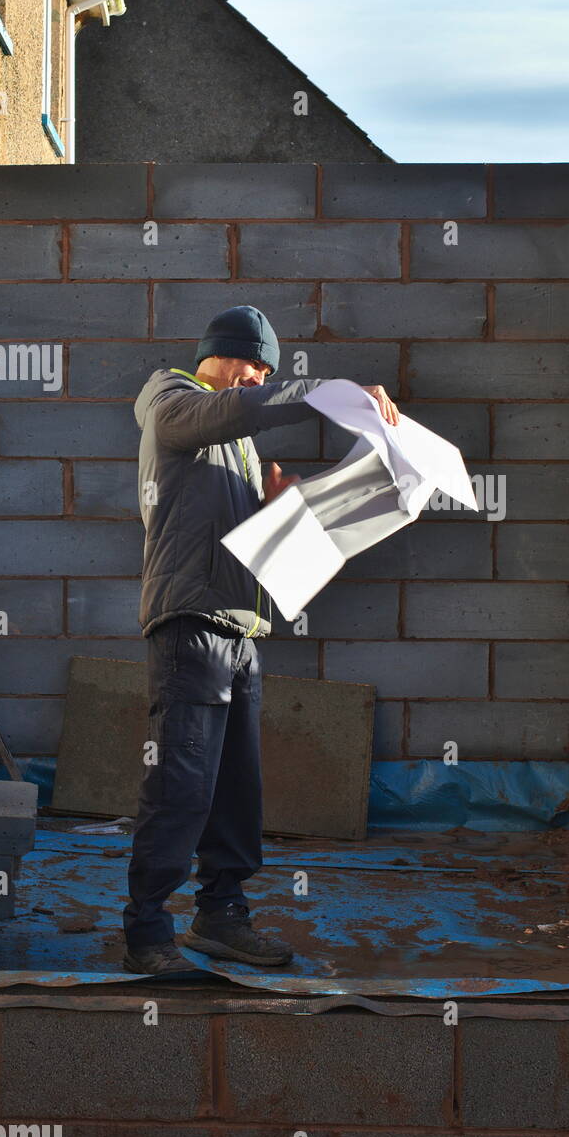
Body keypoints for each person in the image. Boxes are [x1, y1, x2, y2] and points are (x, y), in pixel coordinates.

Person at [122, 304, 399, 976]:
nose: (256, 376)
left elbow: (241, 547)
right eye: (250, 362)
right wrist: (326, 394)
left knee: (234, 793)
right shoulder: (172, 401)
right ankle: (147, 932)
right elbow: (233, 412)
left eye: (268, 370)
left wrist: (279, 510)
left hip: (241, 632)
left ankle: (220, 914)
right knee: (181, 786)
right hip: (190, 629)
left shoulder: (236, 443)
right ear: (213, 352)